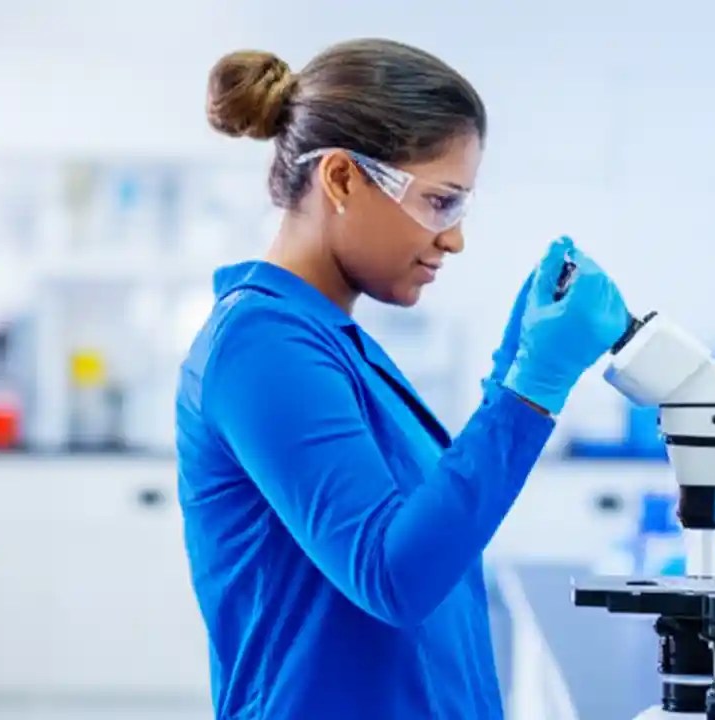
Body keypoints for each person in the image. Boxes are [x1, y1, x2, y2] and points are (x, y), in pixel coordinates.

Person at [175, 38, 632, 719]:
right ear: (341, 180)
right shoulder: (262, 345)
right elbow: (391, 575)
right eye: (440, 202)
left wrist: (514, 364)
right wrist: (532, 387)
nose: (454, 239)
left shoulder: (333, 340)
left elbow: (429, 528)